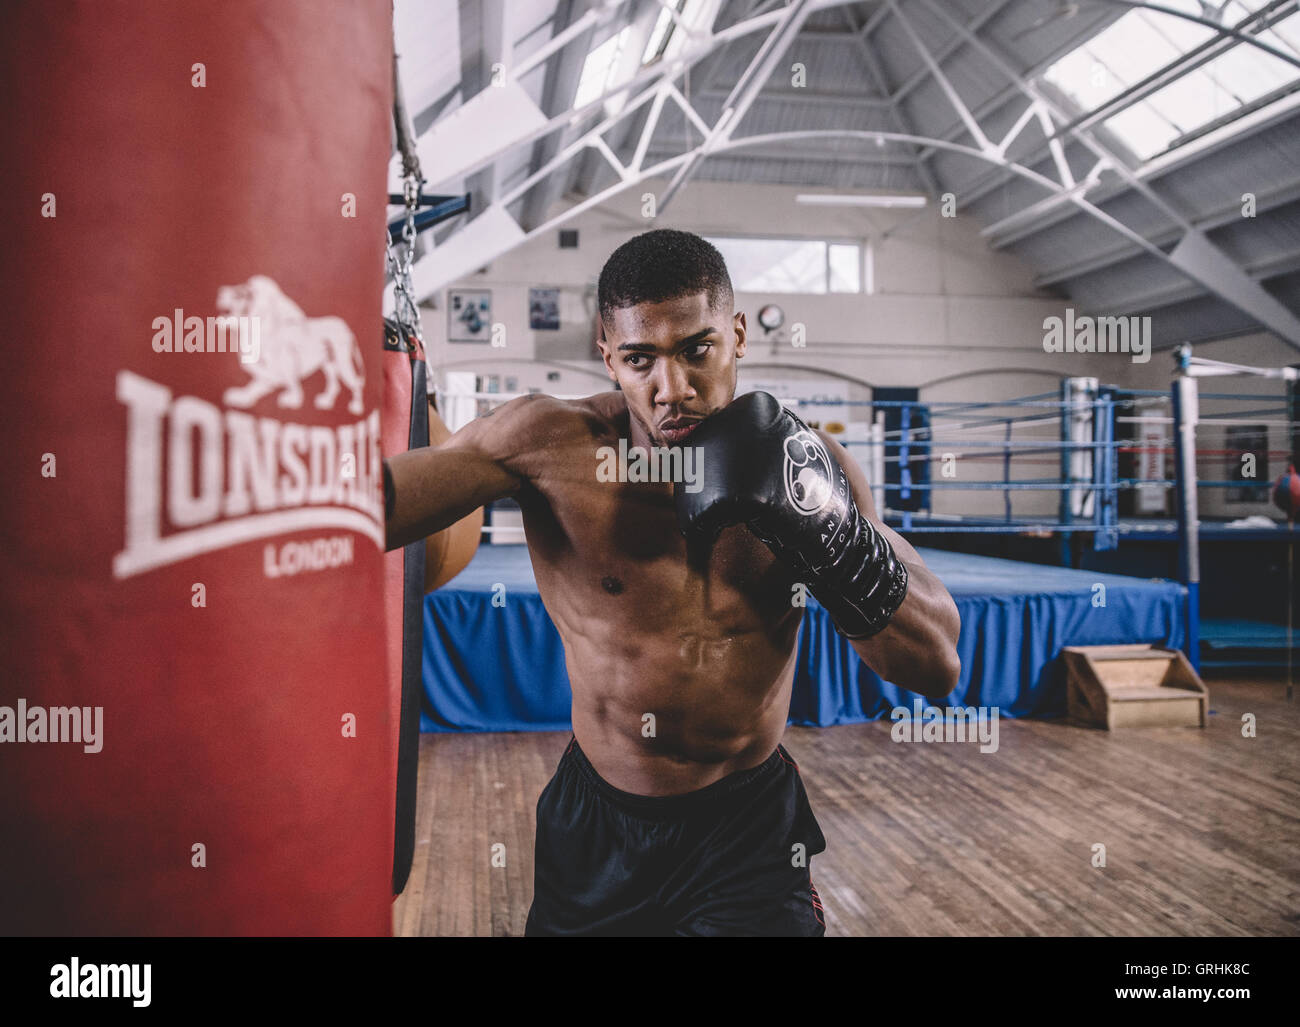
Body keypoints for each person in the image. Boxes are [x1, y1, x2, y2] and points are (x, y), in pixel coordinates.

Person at [384, 229, 962, 936]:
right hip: (598, 827)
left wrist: (830, 535)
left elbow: (936, 664)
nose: (673, 389)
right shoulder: (547, 446)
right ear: (607, 356)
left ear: (738, 335)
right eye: (639, 359)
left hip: (748, 830)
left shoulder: (816, 469)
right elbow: (366, 507)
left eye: (696, 350)